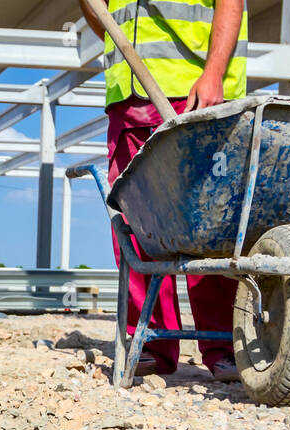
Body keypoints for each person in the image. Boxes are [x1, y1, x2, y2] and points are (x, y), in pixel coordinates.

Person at [80, 0, 247, 380]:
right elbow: (107, 26)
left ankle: (223, 345)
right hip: (128, 99)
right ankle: (151, 342)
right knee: (137, 225)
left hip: (194, 93)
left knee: (208, 220)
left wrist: (214, 73)